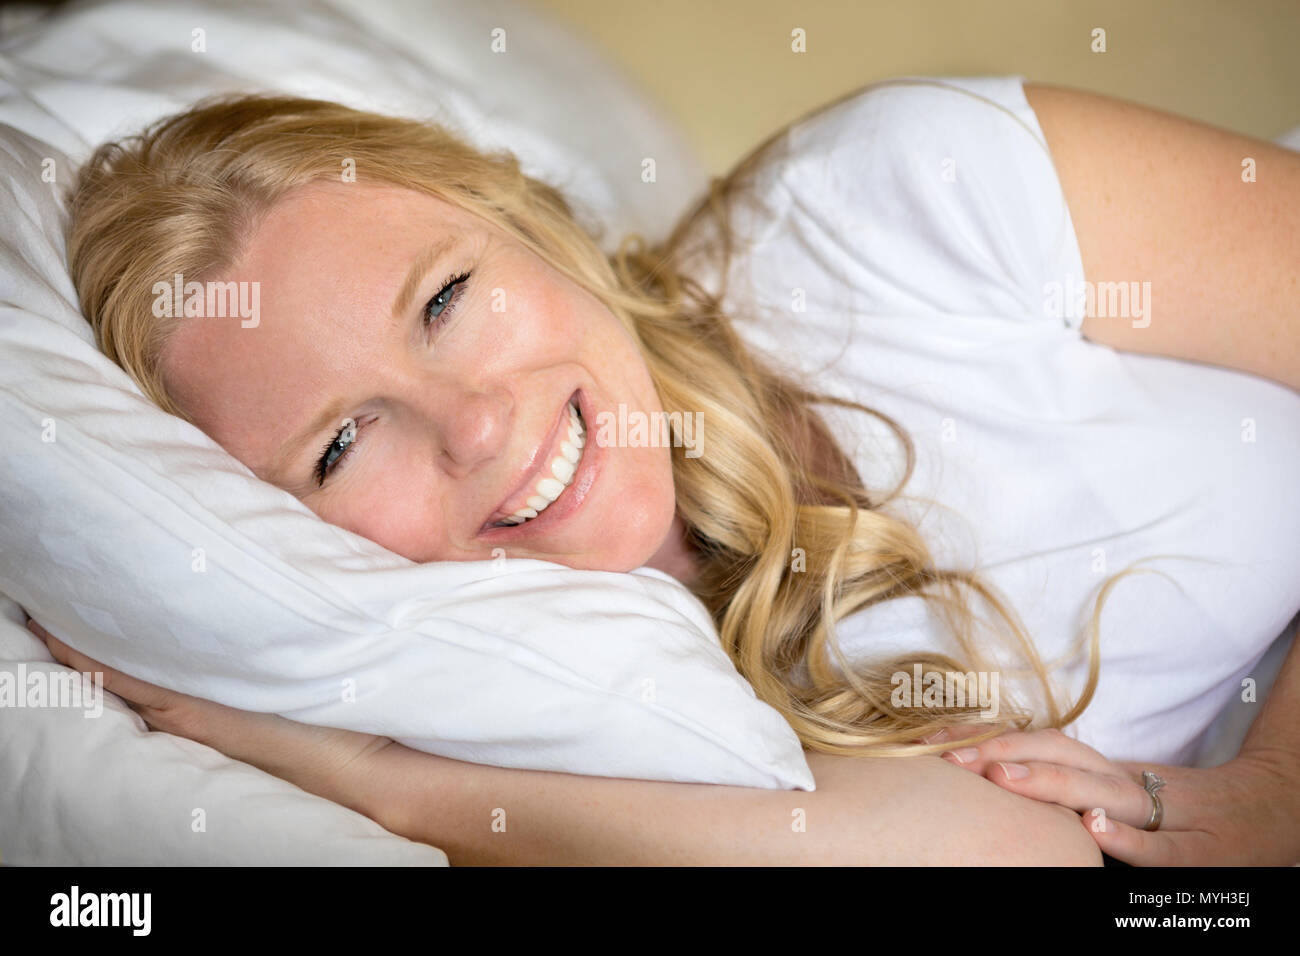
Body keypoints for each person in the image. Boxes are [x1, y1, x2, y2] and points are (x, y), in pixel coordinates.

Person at [35, 77, 1300, 865]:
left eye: (448, 298)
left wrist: (1280, 781)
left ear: (530, 225)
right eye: (342, 442)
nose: (474, 424)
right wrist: (378, 783)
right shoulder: (589, 689)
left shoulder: (893, 201)